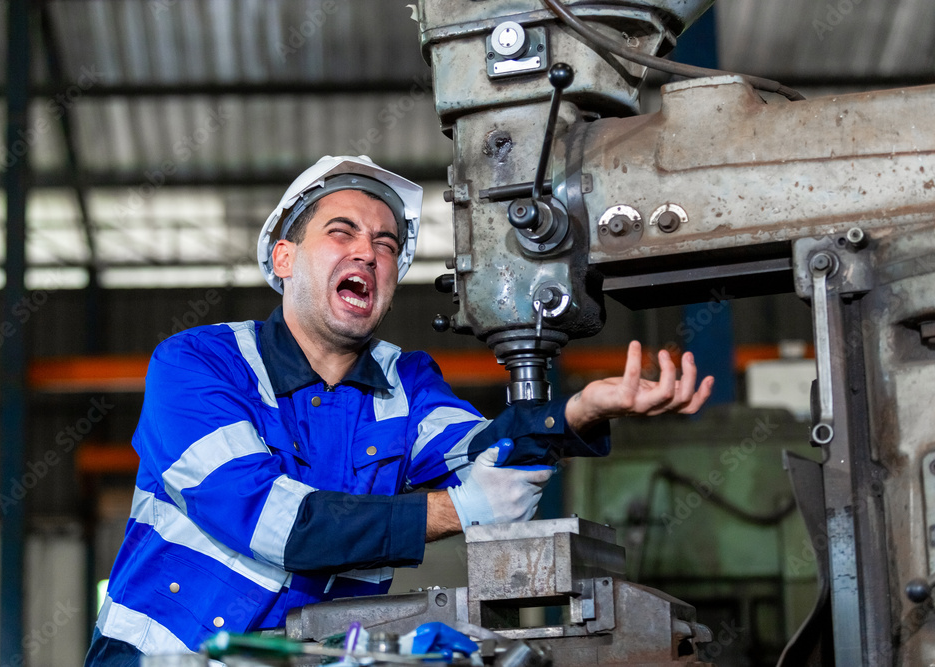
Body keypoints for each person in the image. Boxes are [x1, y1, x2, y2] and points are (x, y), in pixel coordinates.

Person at [85, 156, 713, 666]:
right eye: (342, 232)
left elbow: (481, 455)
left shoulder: (404, 384)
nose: (368, 251)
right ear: (284, 258)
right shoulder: (199, 364)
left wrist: (573, 415)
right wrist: (458, 511)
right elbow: (272, 522)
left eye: (386, 243)